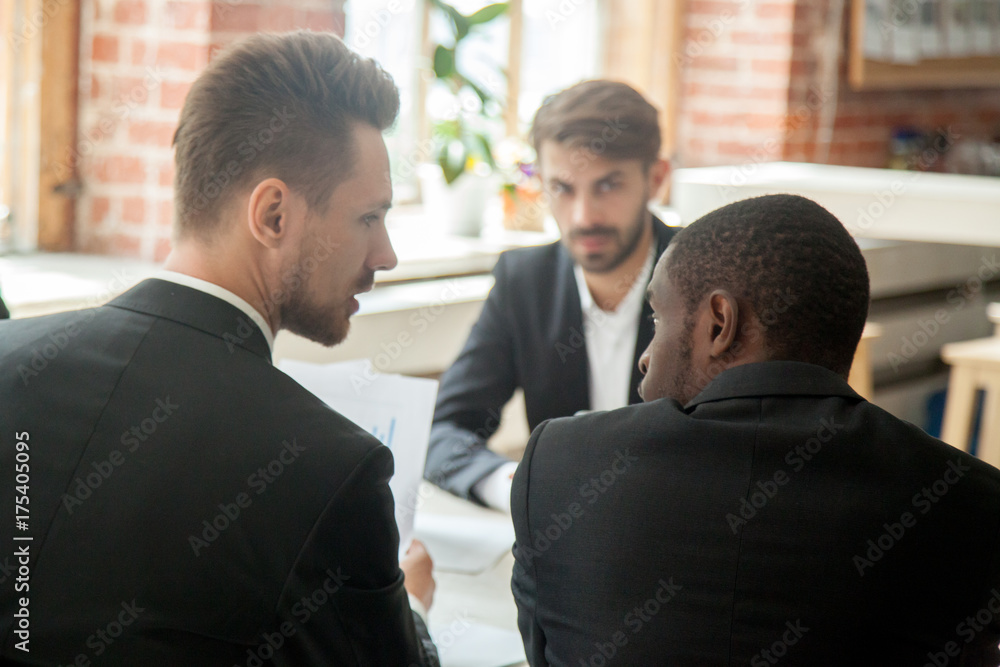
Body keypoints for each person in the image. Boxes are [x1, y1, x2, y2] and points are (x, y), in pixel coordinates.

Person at [0, 32, 438, 666]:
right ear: (274, 216)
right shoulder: (332, 469)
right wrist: (416, 615)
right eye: (369, 218)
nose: (386, 255)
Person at [510, 194, 1000, 666]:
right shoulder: (971, 501)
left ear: (720, 323)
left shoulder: (559, 464)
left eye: (658, 317)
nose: (645, 355)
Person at [425, 80, 676, 511]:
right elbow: (445, 430)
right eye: (562, 188)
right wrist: (516, 486)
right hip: (562, 546)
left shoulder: (712, 277)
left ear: (655, 179)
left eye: (607, 185)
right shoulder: (523, 283)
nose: (583, 217)